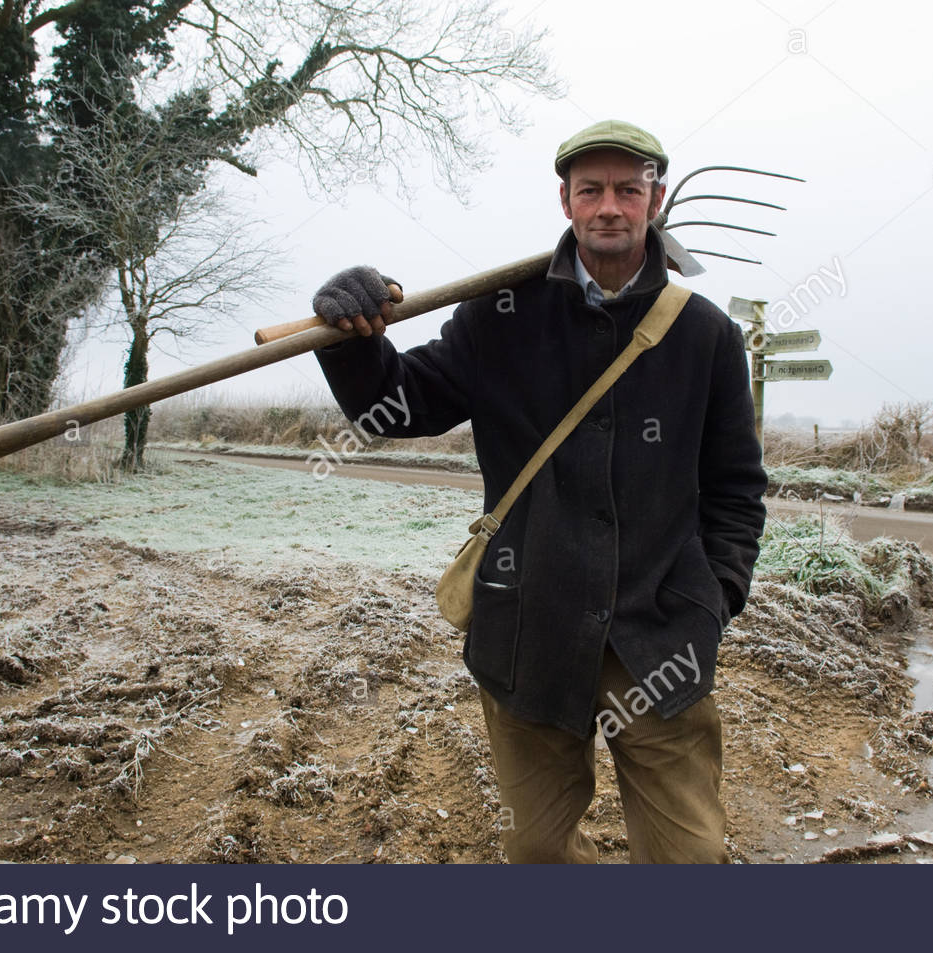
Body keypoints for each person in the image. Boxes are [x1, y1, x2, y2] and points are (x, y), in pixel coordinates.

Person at [311, 119, 767, 863]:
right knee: (540, 854)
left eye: (629, 188)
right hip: (526, 631)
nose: (610, 206)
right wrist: (354, 337)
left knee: (689, 859)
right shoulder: (501, 313)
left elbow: (736, 487)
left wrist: (712, 599)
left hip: (659, 638)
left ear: (654, 200)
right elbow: (394, 404)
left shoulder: (705, 335)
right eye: (592, 190)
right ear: (566, 202)